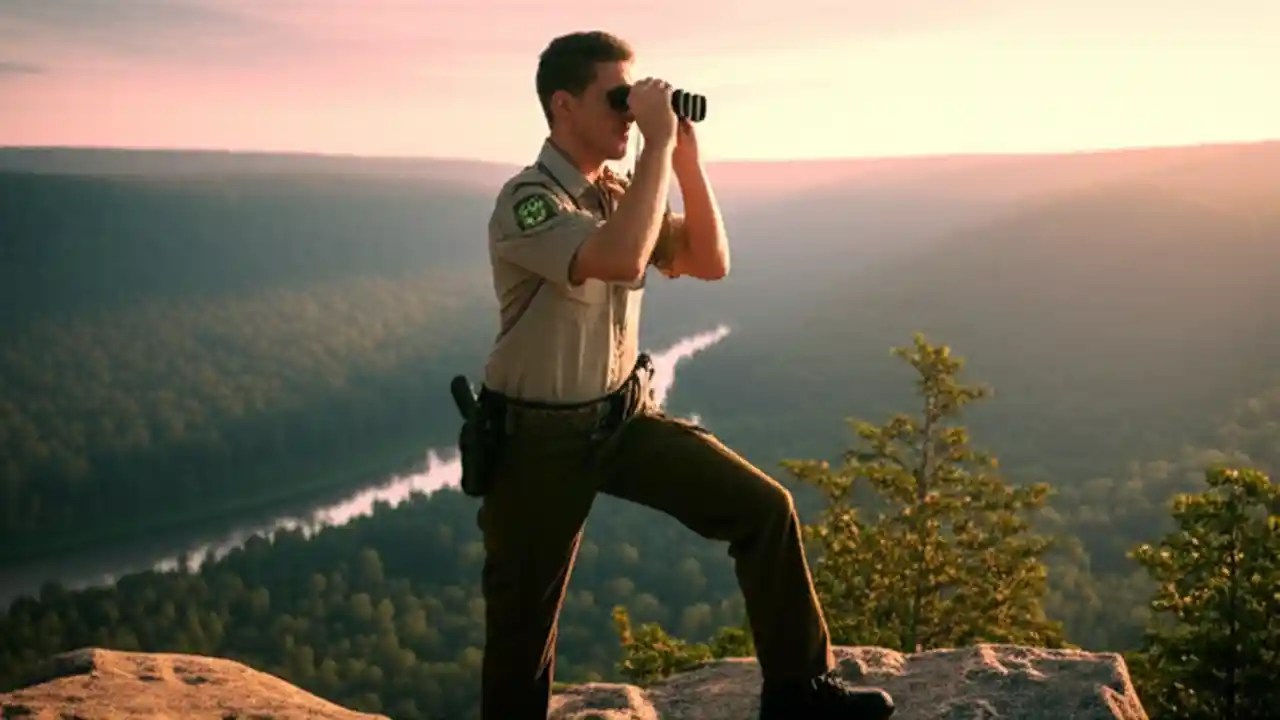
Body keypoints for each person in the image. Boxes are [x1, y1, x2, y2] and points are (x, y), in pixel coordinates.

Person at [474, 30, 896, 720]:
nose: (630, 115)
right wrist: (656, 149)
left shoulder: (620, 192)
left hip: (622, 421)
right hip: (537, 440)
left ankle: (799, 694)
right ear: (563, 105)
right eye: (617, 98)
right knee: (523, 629)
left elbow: (708, 260)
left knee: (764, 511)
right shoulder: (528, 201)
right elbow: (618, 257)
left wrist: (686, 162)